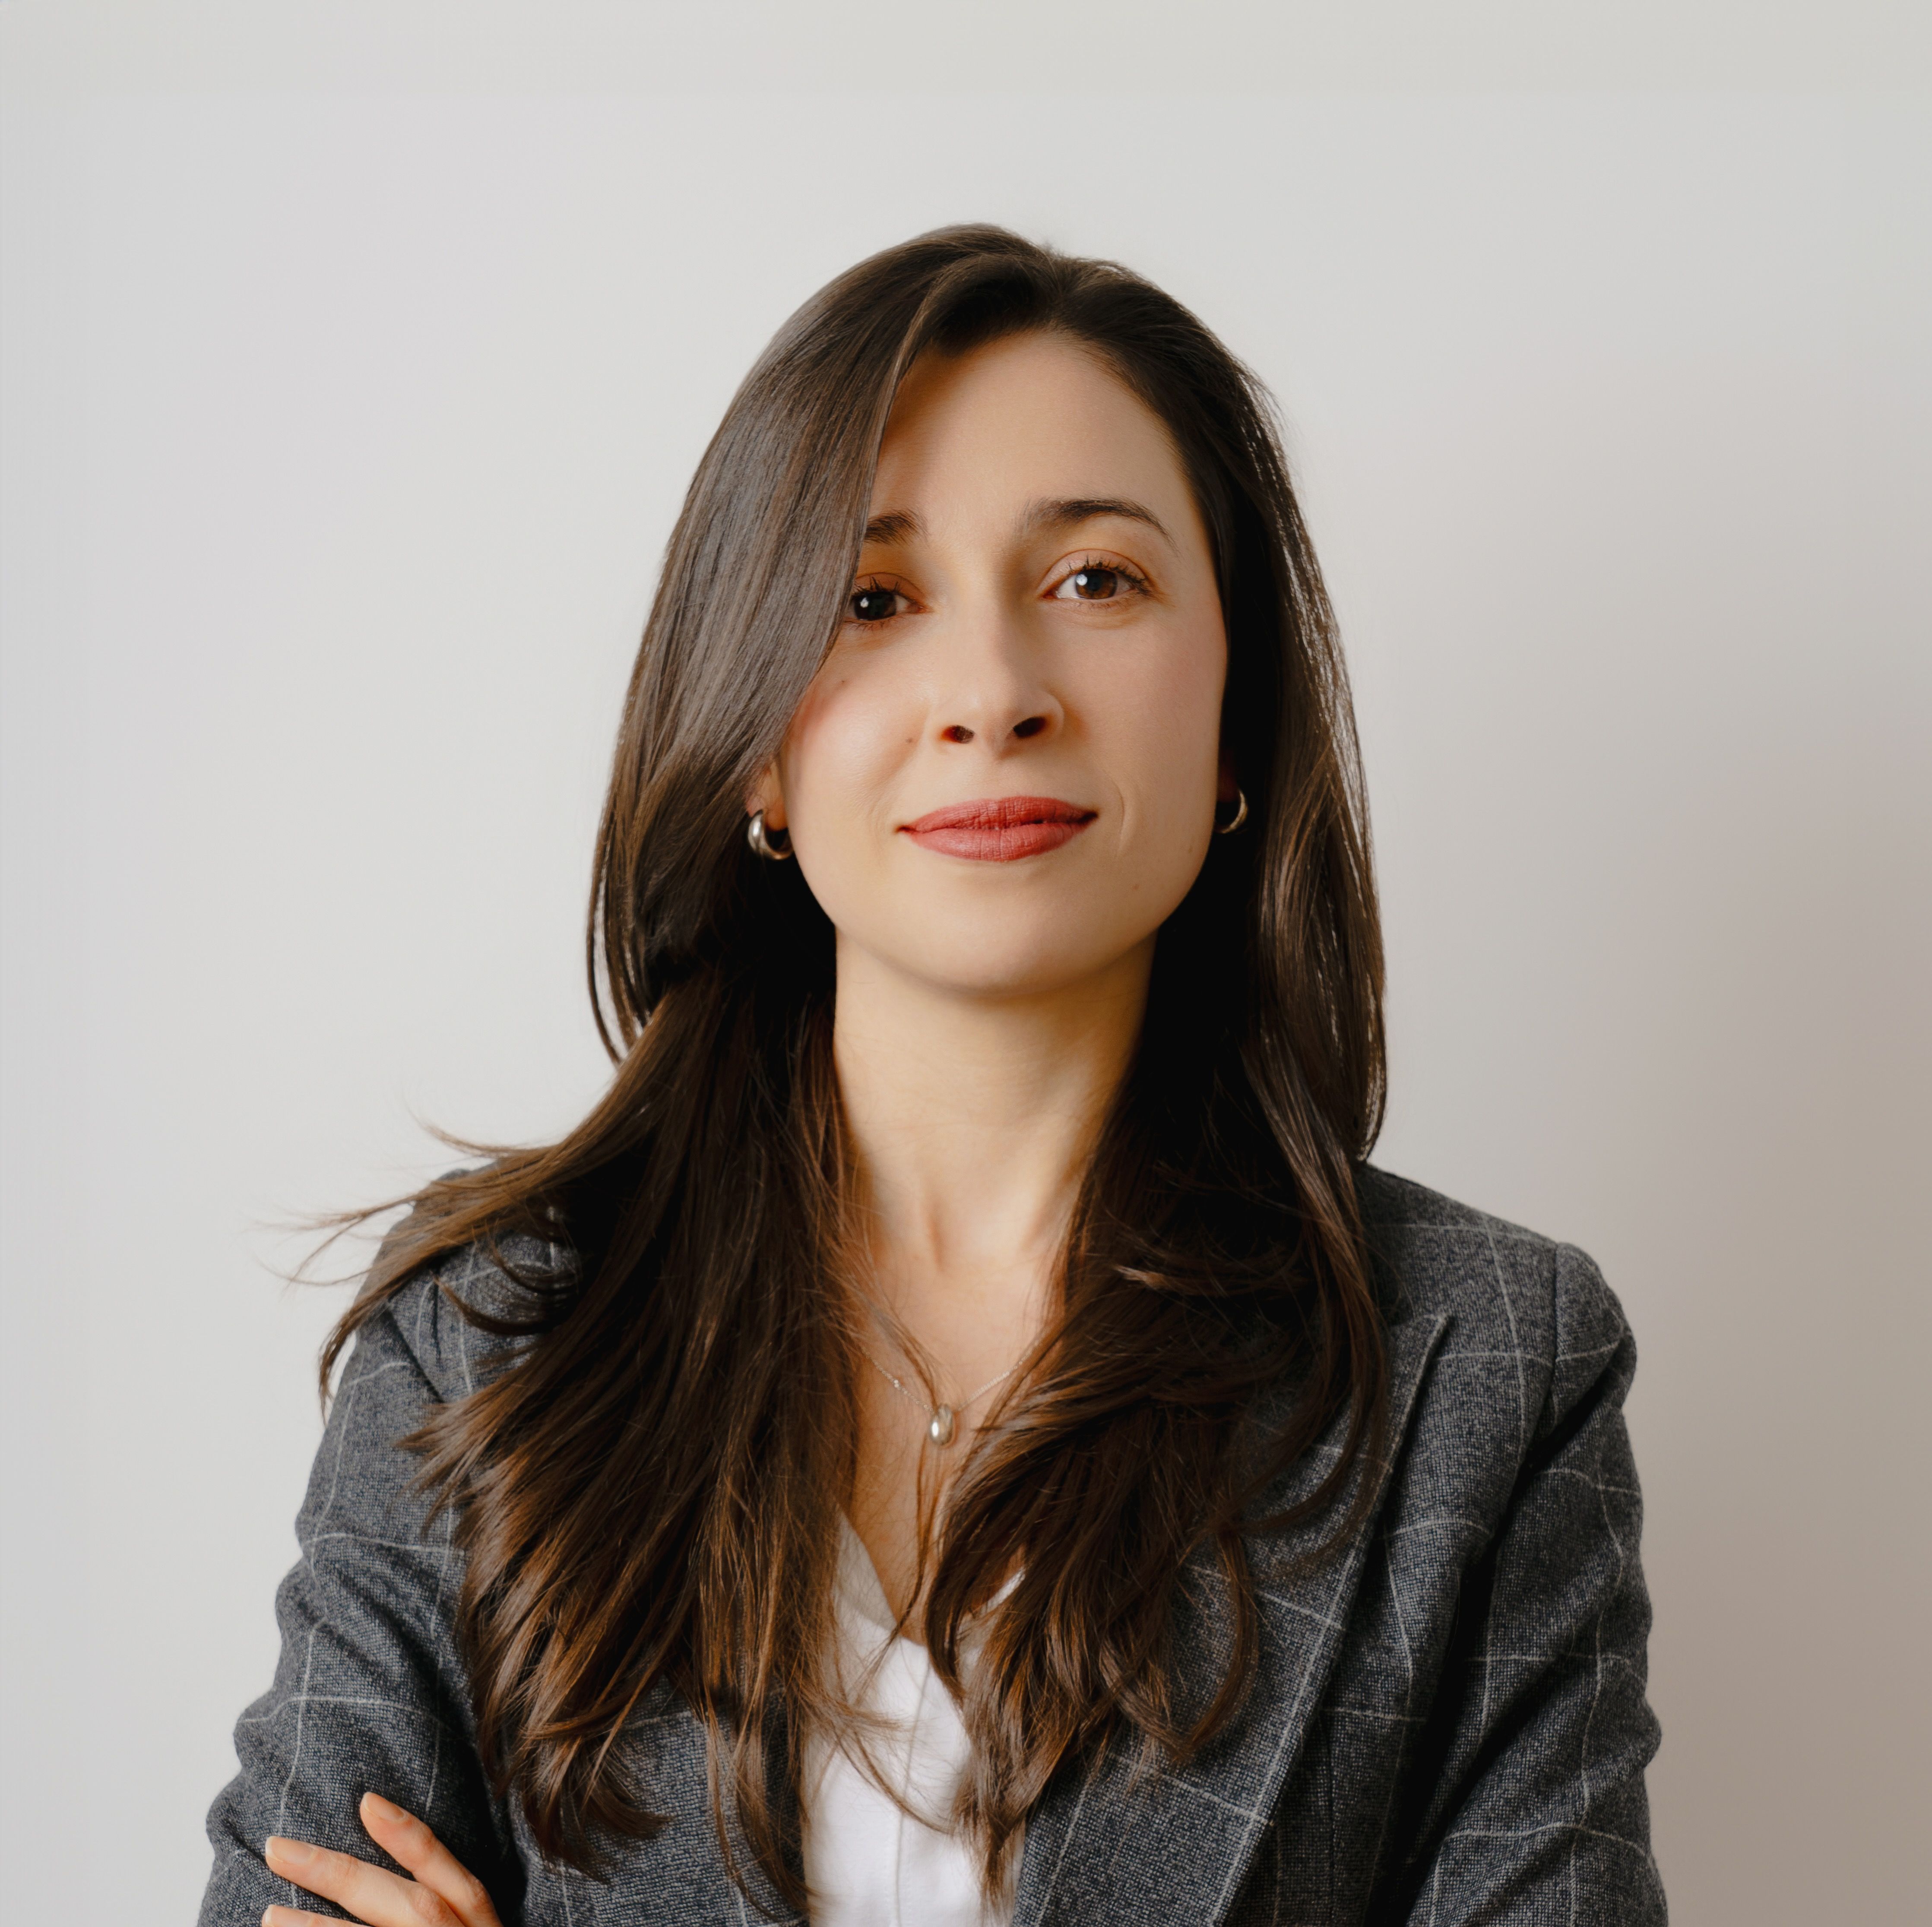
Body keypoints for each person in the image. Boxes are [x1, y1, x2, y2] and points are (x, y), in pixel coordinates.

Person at [200, 226, 1664, 1927]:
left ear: (1238, 705)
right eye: (872, 599)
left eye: (1095, 581)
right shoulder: (482, 1341)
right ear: (755, 739)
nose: (991, 694)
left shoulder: (1488, 1374)